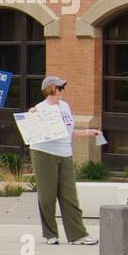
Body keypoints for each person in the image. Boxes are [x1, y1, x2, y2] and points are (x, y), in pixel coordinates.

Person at [27, 75, 99, 245]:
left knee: (70, 196)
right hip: (43, 152)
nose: (62, 91)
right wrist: (31, 116)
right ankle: (50, 234)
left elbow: (67, 131)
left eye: (62, 87)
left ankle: (78, 235)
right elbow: (33, 130)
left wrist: (88, 133)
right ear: (50, 89)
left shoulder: (65, 106)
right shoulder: (40, 108)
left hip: (65, 153)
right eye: (59, 88)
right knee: (47, 196)